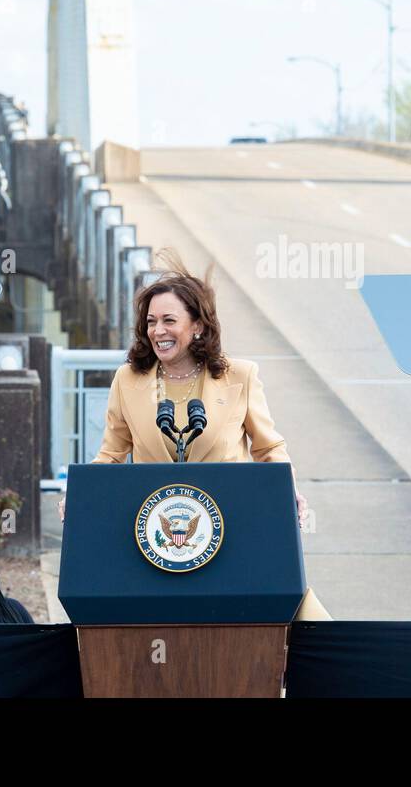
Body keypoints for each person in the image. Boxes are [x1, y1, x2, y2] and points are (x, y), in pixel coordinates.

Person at [59, 251, 330, 620]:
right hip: (154, 538)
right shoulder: (128, 379)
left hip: (231, 533)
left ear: (198, 326)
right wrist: (80, 496)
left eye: (170, 320)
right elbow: (110, 455)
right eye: (151, 321)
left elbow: (268, 448)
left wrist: (286, 491)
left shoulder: (239, 376)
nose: (158, 331)